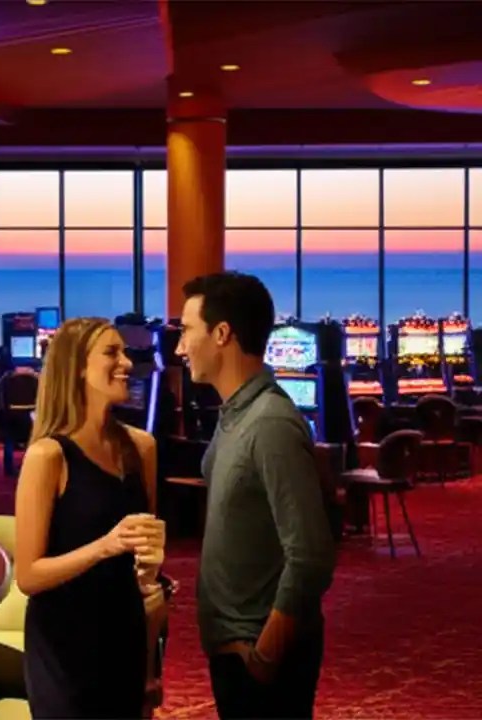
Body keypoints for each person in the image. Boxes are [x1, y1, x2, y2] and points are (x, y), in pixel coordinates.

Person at [176, 272, 336, 719]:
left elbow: (311, 556)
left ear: (222, 334)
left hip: (261, 652)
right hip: (234, 645)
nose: (180, 347)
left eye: (188, 331)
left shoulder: (270, 424)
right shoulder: (234, 415)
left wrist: (265, 654)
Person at [14, 316, 160, 718]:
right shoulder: (48, 456)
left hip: (124, 631)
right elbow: (29, 576)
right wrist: (104, 547)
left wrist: (151, 573)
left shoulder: (142, 448)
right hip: (64, 644)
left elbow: (144, 565)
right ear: (77, 367)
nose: (126, 363)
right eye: (111, 353)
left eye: (125, 352)